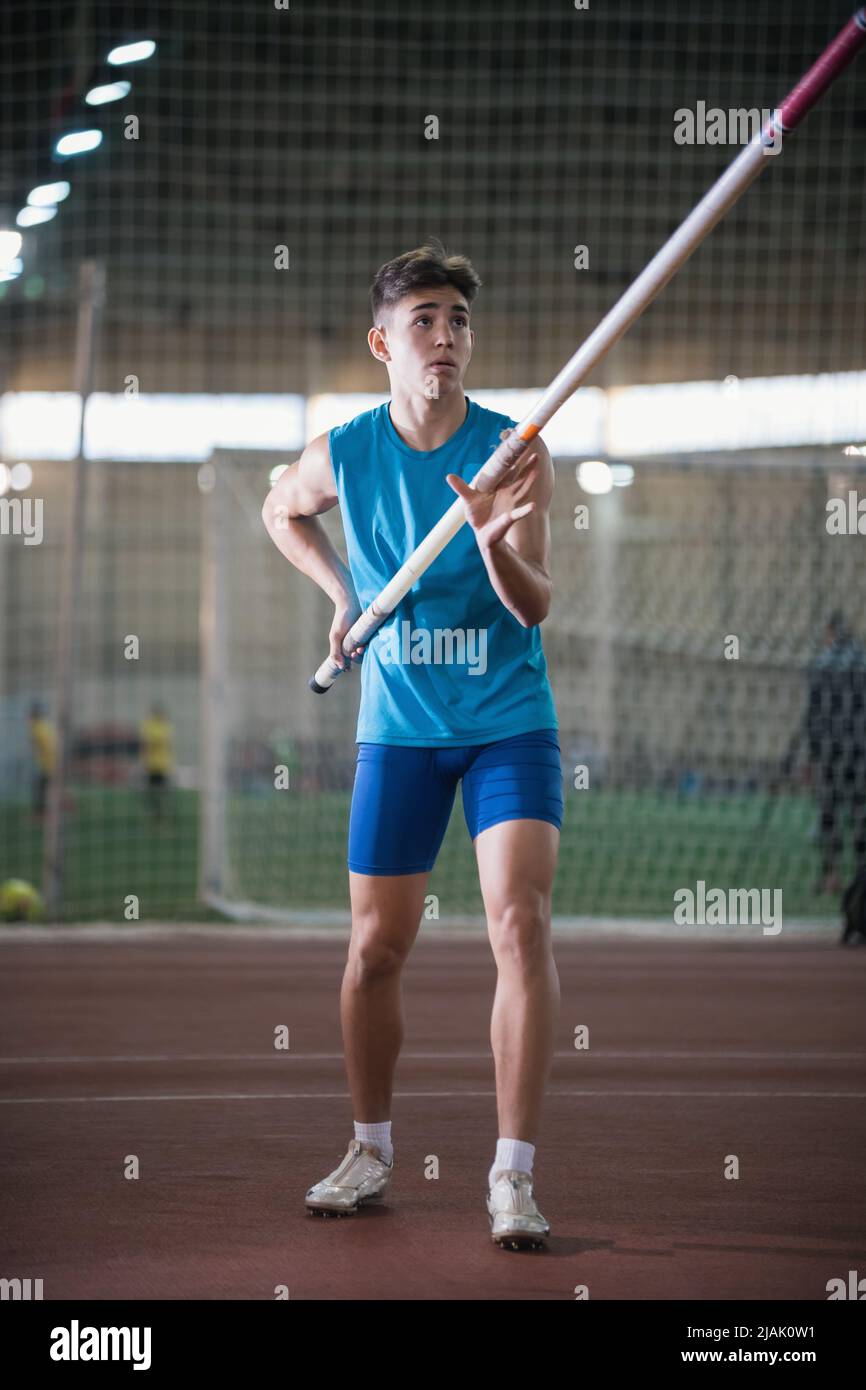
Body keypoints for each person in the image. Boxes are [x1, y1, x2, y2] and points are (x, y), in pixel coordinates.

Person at [262, 238, 563, 1250]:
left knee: (517, 926)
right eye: (424, 319)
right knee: (374, 947)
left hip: (505, 721)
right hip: (397, 726)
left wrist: (486, 538)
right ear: (380, 341)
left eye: (457, 320)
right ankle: (370, 1148)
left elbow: (535, 609)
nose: (445, 336)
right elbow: (280, 510)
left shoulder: (512, 449)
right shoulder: (341, 452)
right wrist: (344, 595)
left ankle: (511, 1176)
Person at [804, 612, 866, 895]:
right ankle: (861, 877)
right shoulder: (862, 663)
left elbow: (814, 715)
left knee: (829, 815)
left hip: (832, 751)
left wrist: (813, 754)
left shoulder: (821, 665)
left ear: (830, 634)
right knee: (859, 814)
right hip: (860, 750)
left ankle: (831, 875)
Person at [139, 704, 175, 823]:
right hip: (151, 765)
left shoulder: (166, 726)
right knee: (151, 792)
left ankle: (161, 815)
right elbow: (145, 745)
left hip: (163, 766)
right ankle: (155, 814)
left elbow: (169, 746)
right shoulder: (149, 726)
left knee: (163, 792)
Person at [28, 702, 56, 819]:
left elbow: (48, 746)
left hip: (49, 764)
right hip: (50, 764)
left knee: (39, 788)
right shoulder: (44, 726)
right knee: (47, 787)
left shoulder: (38, 728)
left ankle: (40, 813)